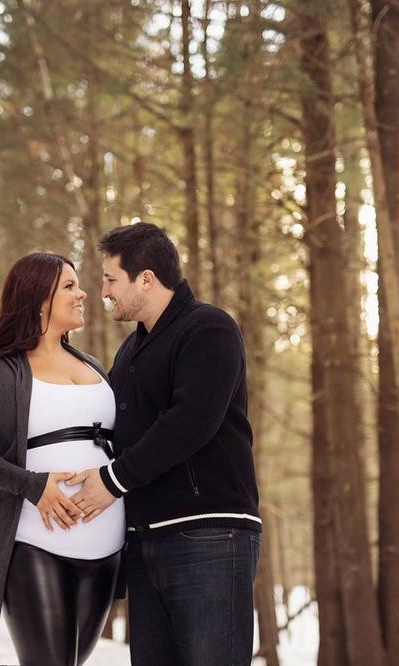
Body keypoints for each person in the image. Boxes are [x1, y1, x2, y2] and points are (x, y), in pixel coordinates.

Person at [68, 223, 261, 666]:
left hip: (210, 534)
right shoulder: (130, 353)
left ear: (147, 279)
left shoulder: (209, 328)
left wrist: (113, 480)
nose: (103, 291)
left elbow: (191, 422)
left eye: (111, 279)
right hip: (145, 539)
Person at [0, 252, 125, 666]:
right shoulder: (0, 373)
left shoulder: (95, 367)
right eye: (69, 286)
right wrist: (35, 486)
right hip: (34, 544)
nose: (83, 293)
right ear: (39, 297)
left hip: (106, 550)